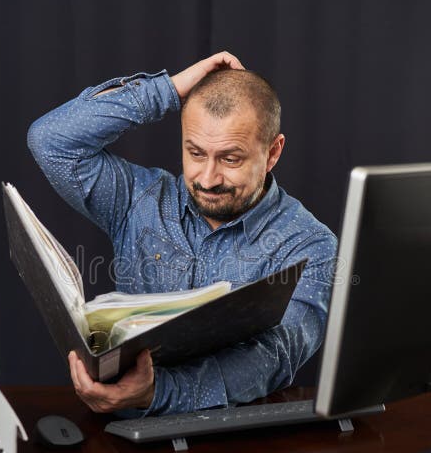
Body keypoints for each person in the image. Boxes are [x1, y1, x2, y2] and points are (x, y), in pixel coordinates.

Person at [27, 52, 338, 416]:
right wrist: (168, 90)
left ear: (272, 153)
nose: (207, 178)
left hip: (239, 450)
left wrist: (157, 393)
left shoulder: (311, 246)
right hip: (121, 440)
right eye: (195, 153)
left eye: (230, 159)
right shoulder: (138, 200)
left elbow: (275, 355)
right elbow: (51, 142)